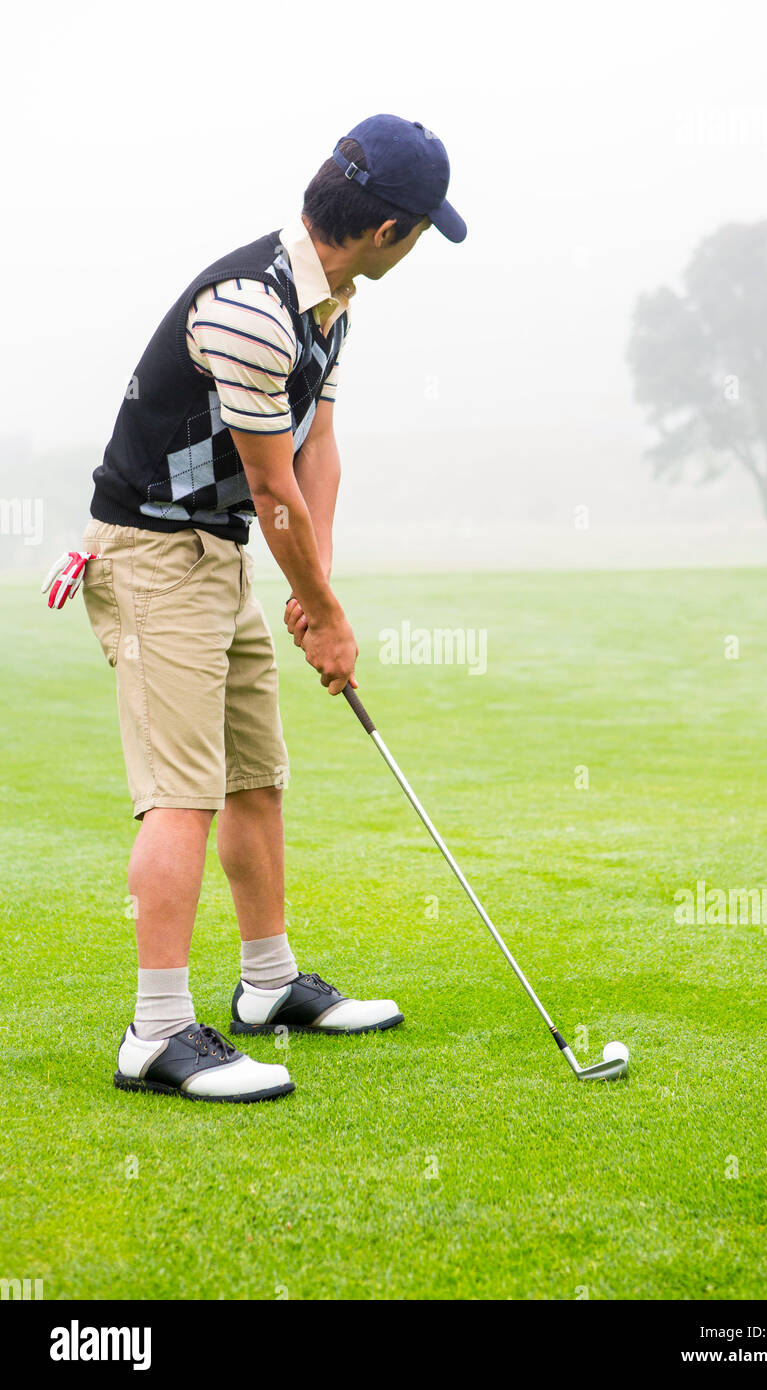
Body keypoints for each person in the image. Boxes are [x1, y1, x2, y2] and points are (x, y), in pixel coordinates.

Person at [44, 114, 466, 1103]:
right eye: (418, 235)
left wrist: (317, 595)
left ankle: (269, 985)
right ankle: (155, 1033)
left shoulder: (331, 307)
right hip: (152, 554)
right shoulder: (252, 307)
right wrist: (322, 609)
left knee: (253, 778)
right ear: (389, 230)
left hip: (217, 554)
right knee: (181, 793)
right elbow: (269, 484)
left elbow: (315, 452)